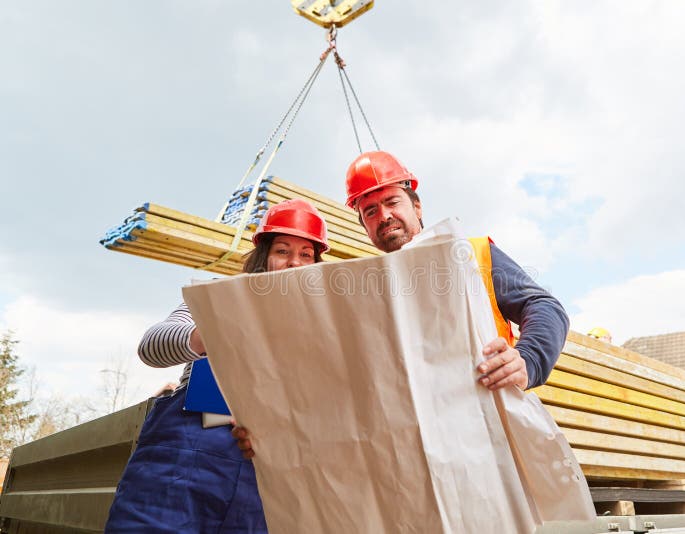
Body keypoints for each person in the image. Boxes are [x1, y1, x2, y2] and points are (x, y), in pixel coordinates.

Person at [232, 150, 570, 457]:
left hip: (487, 437)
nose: (384, 216)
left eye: (392, 202)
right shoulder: (363, 289)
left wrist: (527, 360)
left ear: (417, 206)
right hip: (408, 452)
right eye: (370, 211)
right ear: (364, 226)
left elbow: (544, 307)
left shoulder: (472, 255)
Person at [105, 199, 329, 533]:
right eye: (282, 250)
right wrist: (213, 333)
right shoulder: (216, 296)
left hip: (261, 480)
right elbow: (151, 346)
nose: (294, 262)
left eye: (306, 255)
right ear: (264, 255)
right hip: (178, 468)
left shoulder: (322, 331)